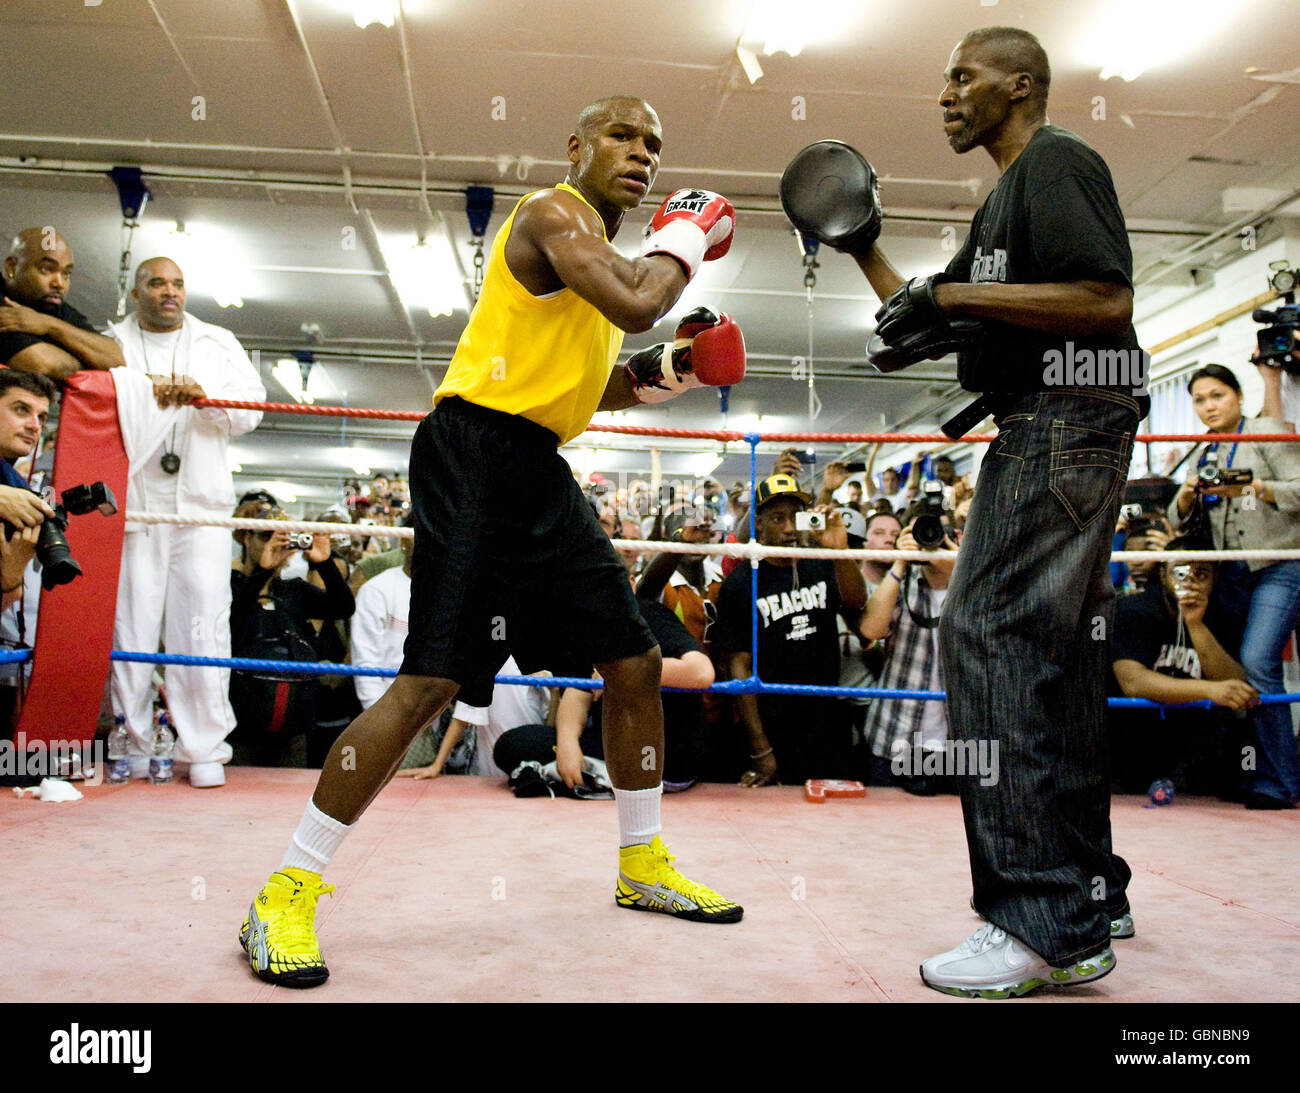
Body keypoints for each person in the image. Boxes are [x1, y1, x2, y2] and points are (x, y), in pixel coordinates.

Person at [240, 95, 746, 987]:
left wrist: (677, 368)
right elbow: (638, 299)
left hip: (538, 466)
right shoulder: (557, 215)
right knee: (430, 682)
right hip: (473, 452)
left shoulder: (598, 265)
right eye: (623, 136)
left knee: (632, 660)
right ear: (577, 143)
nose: (641, 154)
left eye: (654, 145)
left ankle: (642, 863)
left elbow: (595, 385)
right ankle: (285, 889)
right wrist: (686, 240)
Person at [844, 27, 1145, 996]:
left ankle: (1035, 921)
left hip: (1064, 414)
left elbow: (1104, 299)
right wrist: (863, 248)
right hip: (1058, 420)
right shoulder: (999, 206)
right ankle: (1087, 891)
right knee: (1050, 659)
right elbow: (924, 326)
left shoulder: (1056, 162)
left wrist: (957, 287)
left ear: (1019, 85)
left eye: (962, 76)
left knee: (986, 632)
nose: (945, 93)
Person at [106, 257, 266, 787]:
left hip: (201, 509)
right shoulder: (111, 343)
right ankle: (129, 742)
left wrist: (205, 398)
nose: (168, 292)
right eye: (156, 283)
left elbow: (251, 412)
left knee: (203, 627)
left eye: (176, 283)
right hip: (135, 505)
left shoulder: (217, 342)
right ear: (136, 293)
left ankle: (204, 749)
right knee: (132, 623)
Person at [1168, 364, 1300, 808]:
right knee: (1235, 672)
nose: (1209, 406)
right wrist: (1186, 495)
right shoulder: (1204, 450)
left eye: (1217, 396)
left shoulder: (1264, 431)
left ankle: (1279, 784)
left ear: (1238, 396)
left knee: (1259, 663)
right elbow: (1176, 521)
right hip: (1232, 572)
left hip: (1281, 563)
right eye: (1200, 400)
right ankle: (1246, 773)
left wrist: (1255, 487)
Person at [713, 474, 866, 786]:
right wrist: (761, 748)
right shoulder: (741, 582)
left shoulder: (820, 561)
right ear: (758, 522)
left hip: (826, 719)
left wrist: (840, 550)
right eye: (777, 517)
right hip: (774, 724)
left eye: (795, 516)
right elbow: (738, 666)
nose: (788, 528)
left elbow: (856, 601)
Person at [1109, 542, 1254, 797]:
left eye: (1201, 574)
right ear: (1163, 574)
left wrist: (1195, 624)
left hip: (1193, 736)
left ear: (1215, 579)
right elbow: (1133, 682)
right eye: (1181, 573)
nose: (1191, 582)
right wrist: (1209, 690)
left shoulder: (1221, 613)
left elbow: (1234, 683)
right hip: (1132, 732)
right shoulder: (1135, 611)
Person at [229, 504, 354, 767]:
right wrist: (263, 570)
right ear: (246, 536)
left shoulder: (292, 591)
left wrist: (324, 562)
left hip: (294, 729)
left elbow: (343, 607)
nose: (271, 545)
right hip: (240, 728)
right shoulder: (228, 585)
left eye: (281, 538)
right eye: (265, 536)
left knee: (288, 804)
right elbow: (237, 617)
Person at [859, 506, 960, 794]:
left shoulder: (972, 587)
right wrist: (901, 562)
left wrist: (954, 560)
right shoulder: (902, 585)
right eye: (918, 534)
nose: (928, 540)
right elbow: (871, 630)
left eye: (935, 533)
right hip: (894, 736)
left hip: (959, 746)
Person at [0, 373, 57, 729]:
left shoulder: (15, 482)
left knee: (24, 770)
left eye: (41, 417)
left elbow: (12, 589)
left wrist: (9, 578)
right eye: (21, 410)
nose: (33, 425)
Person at [0, 228, 124, 377]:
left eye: (66, 273)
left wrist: (49, 325)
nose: (59, 283)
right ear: (12, 267)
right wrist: (91, 363)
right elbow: (43, 365)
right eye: (46, 269)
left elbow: (116, 361)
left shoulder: (53, 309)